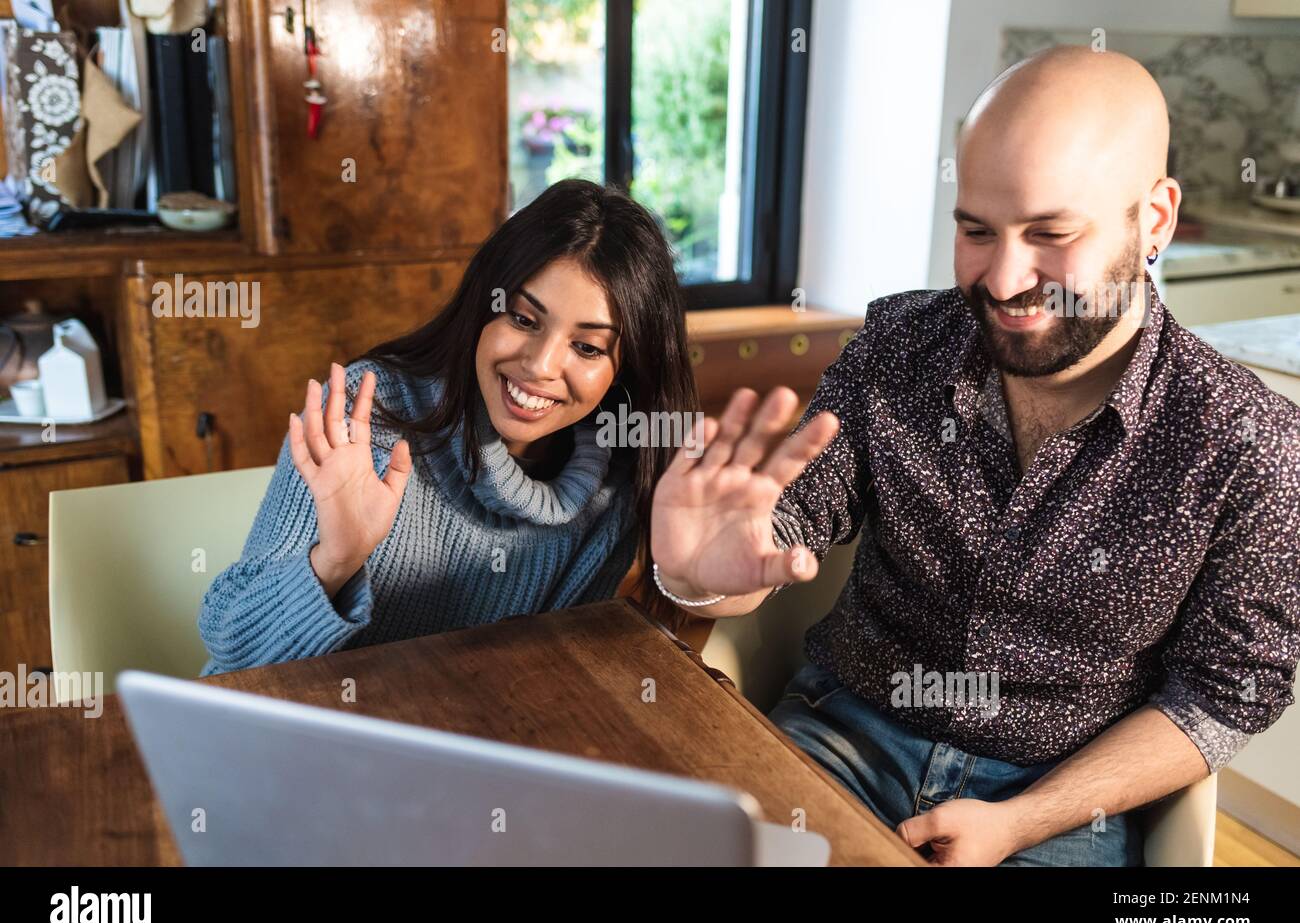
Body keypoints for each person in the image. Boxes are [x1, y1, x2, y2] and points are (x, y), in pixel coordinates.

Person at [650, 47, 1300, 866]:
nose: (1002, 278)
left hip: (1061, 794)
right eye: (975, 230)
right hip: (846, 733)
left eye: (1051, 233)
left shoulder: (1252, 445)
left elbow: (1226, 693)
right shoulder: (896, 346)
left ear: (1155, 221)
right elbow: (781, 532)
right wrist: (697, 578)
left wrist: (1021, 822)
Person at [200, 179, 697, 674]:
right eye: (524, 320)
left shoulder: (614, 488)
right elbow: (233, 651)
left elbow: (545, 681)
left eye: (587, 348)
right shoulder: (368, 414)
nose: (541, 365)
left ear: (625, 373)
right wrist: (334, 560)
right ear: (484, 306)